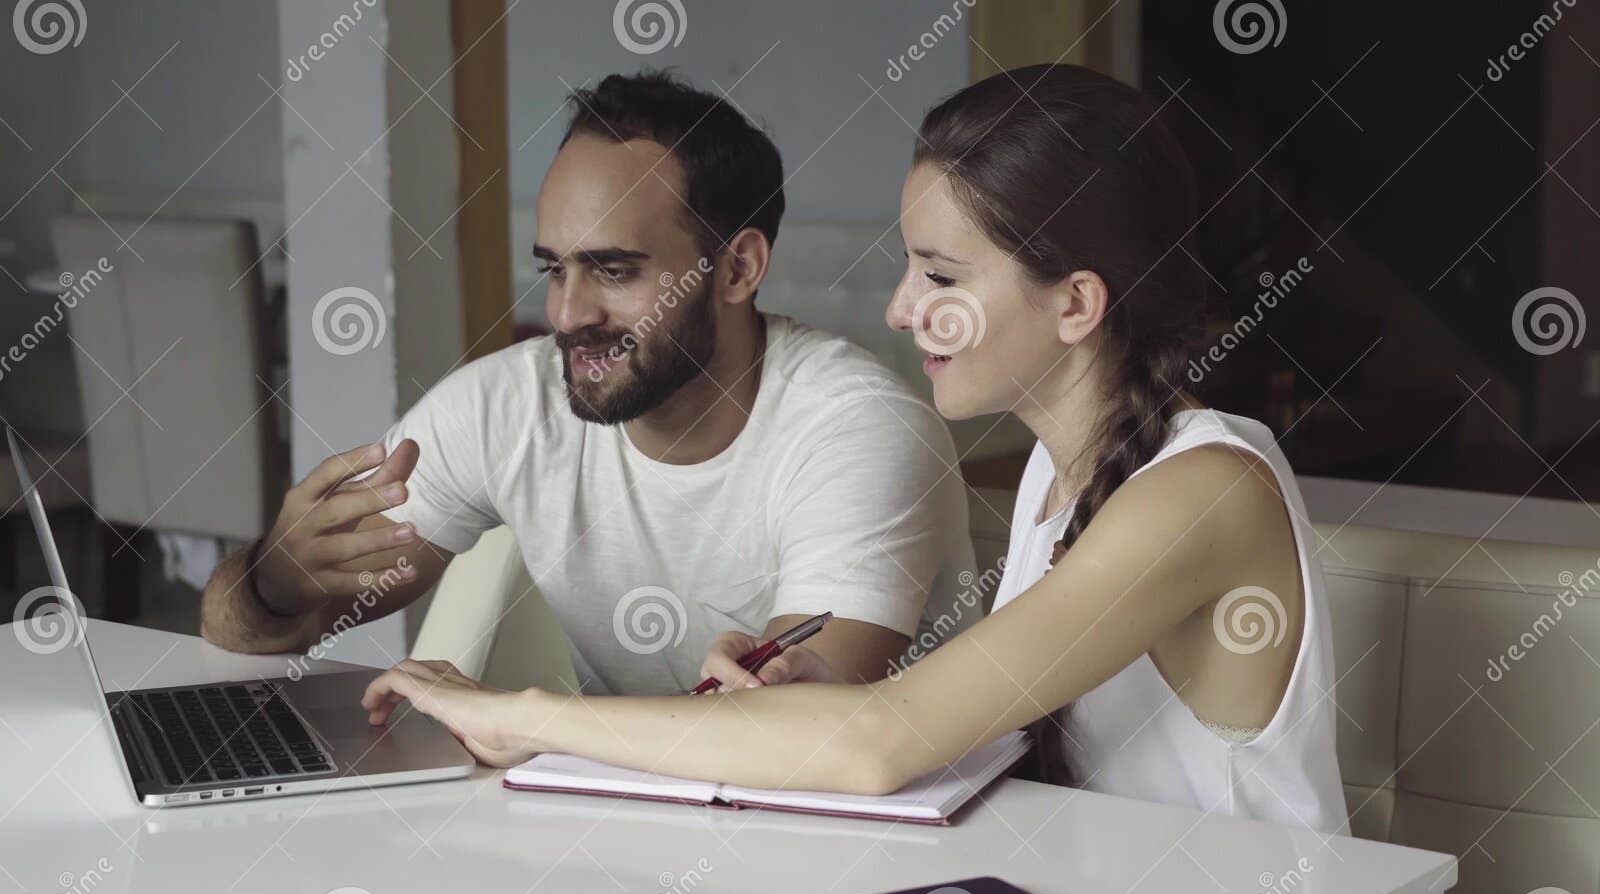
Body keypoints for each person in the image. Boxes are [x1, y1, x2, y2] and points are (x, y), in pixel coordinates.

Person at [360, 64, 1349, 835]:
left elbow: (881, 744)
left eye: (940, 275)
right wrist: (804, 690)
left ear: (1076, 303)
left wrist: (519, 717)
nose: (899, 308)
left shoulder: (1205, 491)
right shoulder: (1062, 470)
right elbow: (889, 723)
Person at [200, 69, 975, 697]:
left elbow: (795, 734)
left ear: (738, 268)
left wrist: (518, 723)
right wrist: (277, 579)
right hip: (627, 834)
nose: (568, 315)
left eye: (613, 270)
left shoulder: (857, 428)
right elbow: (238, 634)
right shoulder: (505, 403)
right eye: (554, 268)